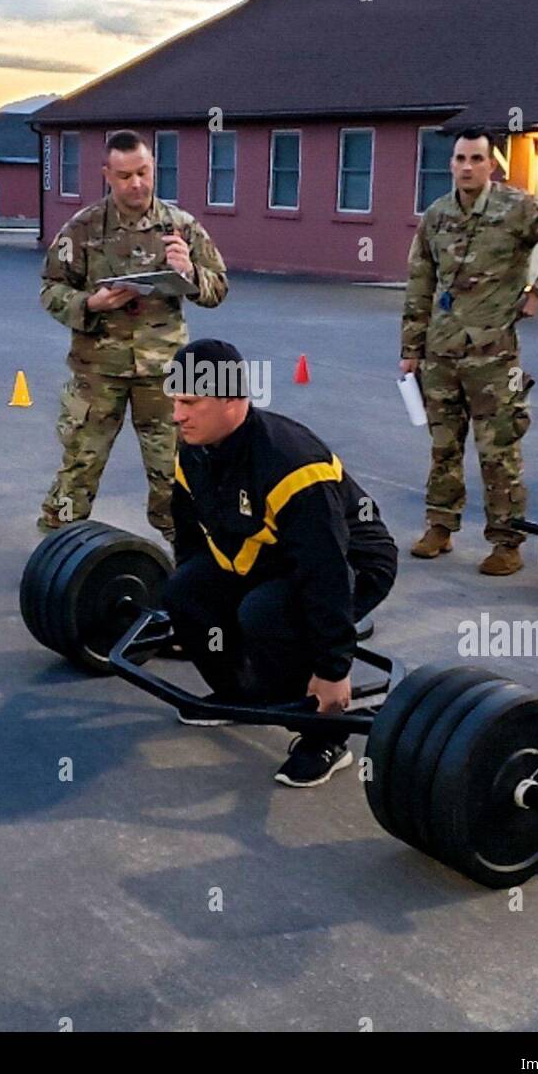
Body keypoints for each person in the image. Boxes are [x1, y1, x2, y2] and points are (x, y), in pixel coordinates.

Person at [163, 338, 398, 788]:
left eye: (190, 402)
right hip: (271, 556)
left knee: (265, 613)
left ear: (233, 400)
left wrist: (333, 670)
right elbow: (191, 540)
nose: (177, 415)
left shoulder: (290, 463)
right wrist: (206, 610)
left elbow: (325, 572)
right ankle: (237, 695)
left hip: (350, 563)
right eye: (175, 401)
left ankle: (324, 736)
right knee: (184, 590)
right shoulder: (195, 450)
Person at [400, 127, 538, 574]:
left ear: (492, 164)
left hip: (493, 354)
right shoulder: (437, 215)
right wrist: (411, 348)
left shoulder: (516, 208)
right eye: (460, 158)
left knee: (498, 449)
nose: (467, 167)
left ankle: (506, 541)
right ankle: (440, 527)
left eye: (476, 159)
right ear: (451, 163)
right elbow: (420, 283)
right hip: (441, 353)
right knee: (443, 446)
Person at [38, 129, 228, 542]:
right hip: (98, 371)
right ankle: (57, 549)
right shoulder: (83, 229)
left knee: (175, 469)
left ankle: (189, 554)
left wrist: (191, 274)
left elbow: (218, 289)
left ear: (153, 168)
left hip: (164, 375)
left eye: (143, 172)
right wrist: (90, 305)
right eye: (125, 176)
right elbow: (51, 289)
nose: (136, 183)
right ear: (107, 174)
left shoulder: (181, 227)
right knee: (80, 465)